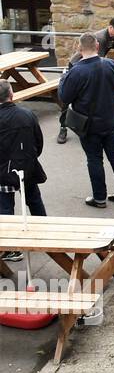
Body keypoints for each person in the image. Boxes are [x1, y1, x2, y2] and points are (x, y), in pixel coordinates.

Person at [58, 31, 114, 208]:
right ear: (97, 46)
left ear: (79, 48)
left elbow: (64, 97)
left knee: (94, 159)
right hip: (110, 120)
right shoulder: (110, 65)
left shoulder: (76, 72)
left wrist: (63, 78)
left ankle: (99, 198)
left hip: (88, 123)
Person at [57, 15, 114, 144]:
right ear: (111, 27)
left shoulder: (113, 37)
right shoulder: (100, 38)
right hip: (78, 65)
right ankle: (63, 128)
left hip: (92, 64)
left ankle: (90, 125)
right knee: (69, 98)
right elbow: (96, 61)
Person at [0, 81, 46, 259]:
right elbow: (38, 142)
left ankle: (10, 247)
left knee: (4, 207)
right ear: (11, 95)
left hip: (3, 171)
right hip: (27, 167)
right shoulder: (27, 114)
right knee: (34, 200)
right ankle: (44, 231)